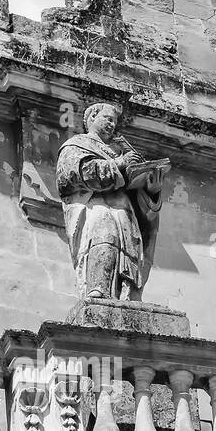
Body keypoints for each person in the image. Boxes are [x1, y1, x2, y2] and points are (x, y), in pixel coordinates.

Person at [56, 103, 165, 301]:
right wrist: (120, 164)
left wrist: (151, 190)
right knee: (104, 234)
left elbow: (142, 207)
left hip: (124, 210)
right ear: (91, 118)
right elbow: (72, 176)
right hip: (95, 207)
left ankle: (127, 294)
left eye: (114, 121)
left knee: (129, 244)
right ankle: (98, 288)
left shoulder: (117, 151)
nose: (112, 124)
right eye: (107, 118)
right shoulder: (77, 144)